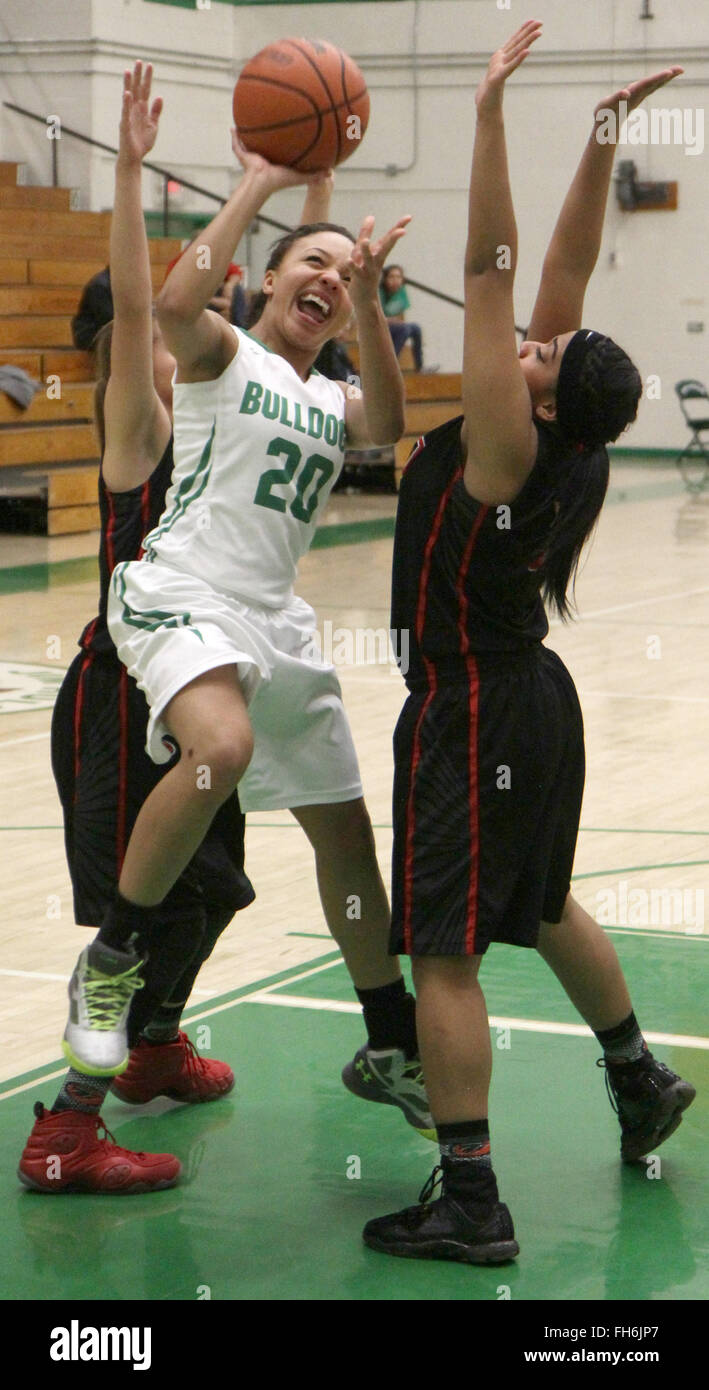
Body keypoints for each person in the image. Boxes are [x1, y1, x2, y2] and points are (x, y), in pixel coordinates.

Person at [362, 22, 693, 1264]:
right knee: (541, 900)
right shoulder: (575, 434)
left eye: (542, 352)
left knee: (440, 948)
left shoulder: (504, 443)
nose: (528, 337)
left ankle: (471, 1196)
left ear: (540, 395)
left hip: (467, 706)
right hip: (534, 703)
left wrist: (491, 110)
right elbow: (557, 265)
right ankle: (637, 1073)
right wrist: (603, 132)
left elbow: (494, 270)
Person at [56, 89, 433, 1143]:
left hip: (271, 618)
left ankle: (386, 1028)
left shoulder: (324, 397)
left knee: (343, 825)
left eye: (340, 272)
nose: (324, 278)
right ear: (265, 279)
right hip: (183, 591)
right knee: (219, 747)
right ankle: (113, 958)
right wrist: (261, 181)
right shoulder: (224, 356)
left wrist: (364, 296)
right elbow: (167, 304)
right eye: (306, 265)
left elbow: (393, 424)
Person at [19, 64, 258, 1195]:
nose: (176, 347)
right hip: (121, 702)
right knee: (136, 912)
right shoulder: (138, 430)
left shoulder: (224, 431)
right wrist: (123, 171)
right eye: (154, 341)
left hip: (192, 695)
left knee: (210, 891)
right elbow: (133, 303)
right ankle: (66, 1123)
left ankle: (155, 1041)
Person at [379, 263, 435, 372]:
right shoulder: (379, 292)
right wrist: (392, 321)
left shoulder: (401, 292)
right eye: (391, 277)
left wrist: (396, 322)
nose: (395, 280)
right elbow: (375, 318)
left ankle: (419, 367)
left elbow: (400, 316)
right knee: (404, 329)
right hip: (379, 328)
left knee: (415, 328)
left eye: (398, 277)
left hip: (394, 327)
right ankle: (390, 365)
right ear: (385, 279)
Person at [71, 265, 113, 352]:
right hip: (91, 334)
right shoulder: (99, 285)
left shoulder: (126, 285)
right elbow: (107, 318)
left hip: (106, 334)